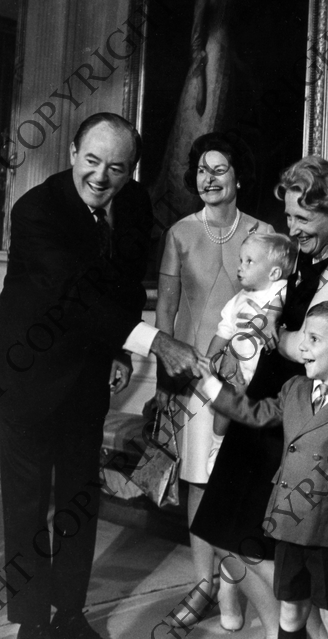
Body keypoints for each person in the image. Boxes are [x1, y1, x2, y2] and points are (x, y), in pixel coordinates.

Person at [0, 112, 199, 639]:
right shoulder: (36, 210)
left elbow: (124, 281)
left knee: (77, 499)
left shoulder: (132, 203)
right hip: (27, 377)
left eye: (117, 167)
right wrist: (154, 340)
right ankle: (30, 619)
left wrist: (118, 351)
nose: (101, 177)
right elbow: (73, 296)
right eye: (92, 161)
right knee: (25, 505)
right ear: (71, 153)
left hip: (86, 372)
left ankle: (69, 613)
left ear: (131, 170)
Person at [190, 155, 328, 639]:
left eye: (303, 218)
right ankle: (287, 627)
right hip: (269, 402)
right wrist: (274, 329)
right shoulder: (305, 260)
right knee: (230, 531)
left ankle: (286, 629)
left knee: (261, 538)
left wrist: (277, 327)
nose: (292, 228)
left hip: (297, 417)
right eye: (289, 216)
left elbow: (305, 344)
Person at [199, 301, 328, 639]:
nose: (302, 346)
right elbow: (254, 412)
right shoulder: (294, 390)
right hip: (288, 524)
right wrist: (214, 388)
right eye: (303, 336)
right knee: (291, 609)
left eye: (313, 339)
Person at [154, 131, 268, 630]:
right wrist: (165, 375)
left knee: (241, 485)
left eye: (219, 168)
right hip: (195, 378)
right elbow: (166, 311)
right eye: (201, 169)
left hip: (248, 382)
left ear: (239, 176)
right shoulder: (180, 232)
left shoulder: (265, 233)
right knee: (198, 482)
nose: (209, 178)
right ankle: (205, 585)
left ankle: (233, 591)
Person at [205, 231, 296, 473]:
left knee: (251, 415)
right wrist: (208, 364)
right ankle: (216, 444)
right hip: (237, 368)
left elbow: (282, 297)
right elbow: (222, 333)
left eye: (249, 262)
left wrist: (272, 314)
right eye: (240, 260)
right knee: (226, 400)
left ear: (274, 273)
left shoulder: (279, 289)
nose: (240, 267)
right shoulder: (237, 300)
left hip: (263, 372)